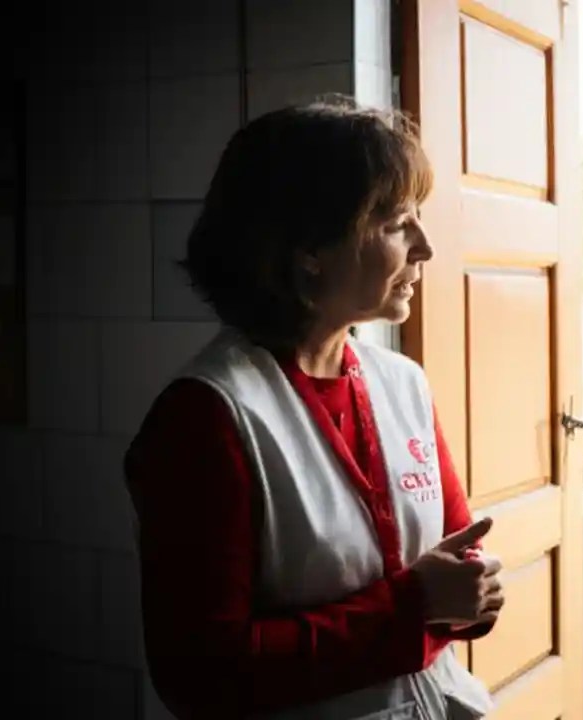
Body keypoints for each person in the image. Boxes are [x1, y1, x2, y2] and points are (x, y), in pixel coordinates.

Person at [123, 95, 502, 719]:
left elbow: (456, 564)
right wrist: (415, 607)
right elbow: (200, 674)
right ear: (308, 252)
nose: (425, 247)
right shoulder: (208, 417)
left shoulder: (402, 382)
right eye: (395, 223)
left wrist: (473, 593)